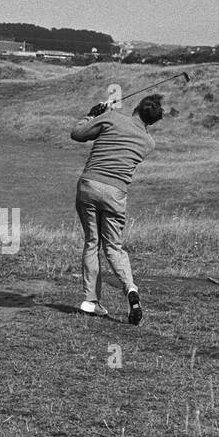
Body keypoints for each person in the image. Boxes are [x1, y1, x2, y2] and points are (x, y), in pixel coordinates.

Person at [69, 93, 164, 324]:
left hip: (89, 185)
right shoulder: (148, 143)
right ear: (152, 121)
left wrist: (93, 114)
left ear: (137, 107)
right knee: (113, 247)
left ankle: (90, 301)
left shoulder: (111, 118)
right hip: (116, 193)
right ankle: (130, 289)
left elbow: (77, 134)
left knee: (92, 243)